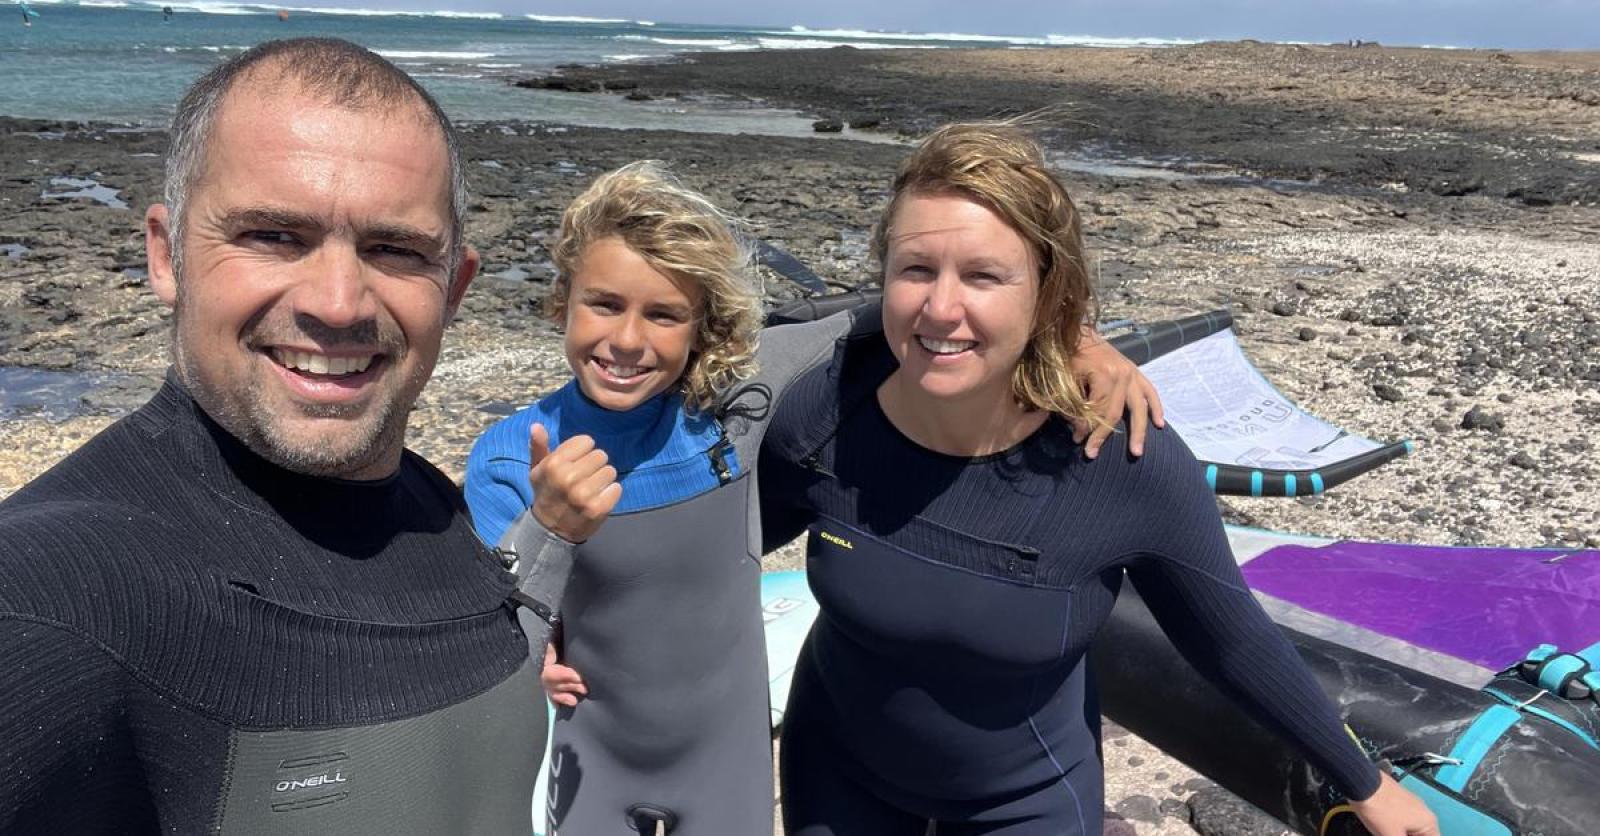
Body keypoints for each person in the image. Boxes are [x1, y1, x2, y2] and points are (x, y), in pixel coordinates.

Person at [757, 122, 1442, 836]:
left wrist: (1368, 786)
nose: (940, 307)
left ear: (1048, 293)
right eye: (916, 270)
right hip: (835, 774)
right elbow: (711, 541)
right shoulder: (825, 412)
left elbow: (1232, 641)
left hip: (1022, 802)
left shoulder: (1116, 456)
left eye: (985, 276)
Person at [465, 163, 1161, 835]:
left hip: (725, 770)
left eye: (665, 314)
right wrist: (550, 528)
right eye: (604, 304)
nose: (626, 339)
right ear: (562, 302)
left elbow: (900, 314)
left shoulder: (737, 407)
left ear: (702, 328)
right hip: (594, 764)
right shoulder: (509, 457)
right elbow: (492, 655)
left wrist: (1075, 336)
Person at [0, 38, 561, 833]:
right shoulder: (57, 595)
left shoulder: (434, 507)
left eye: (395, 249)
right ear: (167, 255)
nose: (338, 303)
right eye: (271, 236)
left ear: (455, 286)